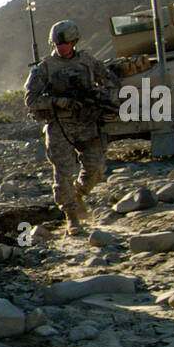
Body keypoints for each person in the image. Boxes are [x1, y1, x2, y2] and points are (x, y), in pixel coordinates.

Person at [23, 20, 120, 235]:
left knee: (96, 167)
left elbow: (111, 83)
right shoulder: (45, 68)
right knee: (63, 172)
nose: (61, 47)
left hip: (87, 122)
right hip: (60, 126)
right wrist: (58, 101)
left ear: (74, 42)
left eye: (65, 42)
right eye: (57, 43)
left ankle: (79, 193)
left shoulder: (88, 62)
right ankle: (72, 216)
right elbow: (31, 99)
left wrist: (101, 98)